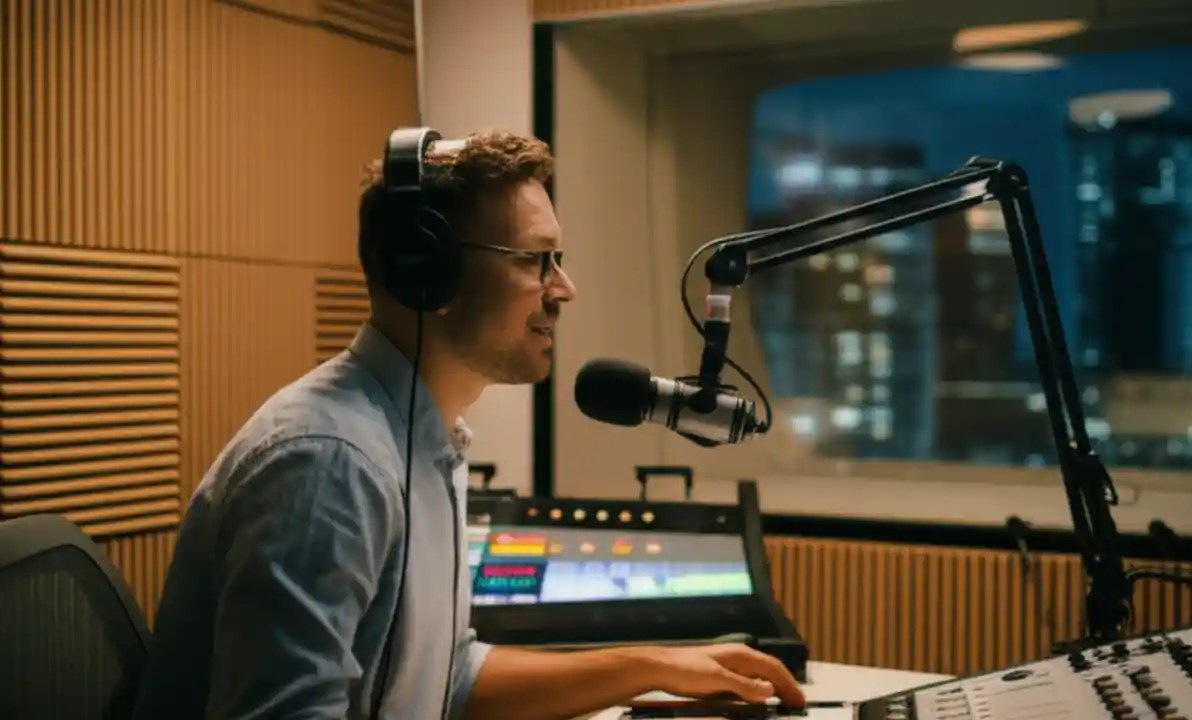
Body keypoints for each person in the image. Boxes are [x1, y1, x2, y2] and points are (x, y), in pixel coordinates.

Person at [133, 128, 805, 720]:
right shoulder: (329, 465)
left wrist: (650, 667)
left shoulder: (420, 442)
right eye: (536, 260)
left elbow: (445, 682)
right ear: (431, 273)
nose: (563, 289)